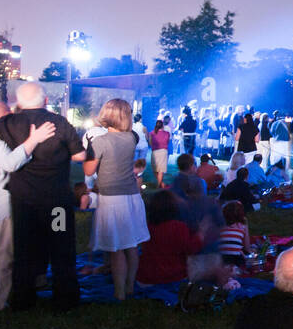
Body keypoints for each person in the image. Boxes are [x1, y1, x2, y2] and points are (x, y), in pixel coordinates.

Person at [0, 81, 86, 312]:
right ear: (46, 100)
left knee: (23, 249)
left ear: (18, 103)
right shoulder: (58, 122)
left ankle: (23, 298)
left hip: (23, 200)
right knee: (60, 248)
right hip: (55, 200)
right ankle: (65, 299)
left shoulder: (6, 123)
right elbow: (79, 156)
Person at [83, 98, 150, 301]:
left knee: (117, 248)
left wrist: (88, 153)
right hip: (132, 195)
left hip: (112, 198)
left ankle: (119, 292)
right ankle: (130, 285)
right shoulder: (132, 137)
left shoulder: (100, 141)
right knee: (131, 246)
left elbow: (88, 169)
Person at [137, 190, 203, 284]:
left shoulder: (147, 227)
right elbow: (192, 249)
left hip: (145, 277)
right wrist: (200, 234)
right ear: (173, 207)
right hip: (173, 277)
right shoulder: (179, 227)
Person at [218, 200, 251, 267]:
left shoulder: (219, 225)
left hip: (220, 259)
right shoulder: (242, 226)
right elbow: (247, 248)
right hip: (236, 260)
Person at [148, 120, 171, 188]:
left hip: (155, 151)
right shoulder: (167, 133)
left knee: (155, 169)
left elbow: (150, 143)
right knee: (161, 170)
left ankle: (159, 184)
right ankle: (160, 184)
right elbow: (168, 142)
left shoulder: (152, 133)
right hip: (163, 151)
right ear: (162, 126)